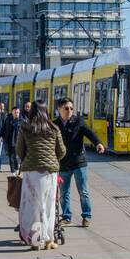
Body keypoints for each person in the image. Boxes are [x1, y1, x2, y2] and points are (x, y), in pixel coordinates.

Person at [16, 102, 65, 250]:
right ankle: (49, 239)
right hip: (50, 172)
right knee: (49, 206)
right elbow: (62, 151)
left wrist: (30, 157)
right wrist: (51, 158)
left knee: (33, 206)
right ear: (46, 112)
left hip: (32, 171)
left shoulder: (25, 128)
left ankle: (36, 240)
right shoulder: (54, 128)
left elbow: (19, 150)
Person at [54, 97, 104, 227]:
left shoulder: (78, 121)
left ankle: (86, 216)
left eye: (71, 108)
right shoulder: (54, 125)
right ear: (59, 109)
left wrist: (98, 143)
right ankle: (66, 216)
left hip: (79, 162)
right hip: (63, 164)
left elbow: (89, 133)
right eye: (66, 108)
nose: (69, 110)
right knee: (64, 192)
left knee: (83, 191)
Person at [2, 106, 22, 173]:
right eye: (15, 112)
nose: (16, 114)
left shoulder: (21, 121)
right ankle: (12, 171)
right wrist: (2, 136)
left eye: (17, 112)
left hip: (18, 141)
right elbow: (4, 128)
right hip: (9, 141)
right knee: (10, 157)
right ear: (12, 112)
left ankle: (16, 168)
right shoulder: (8, 119)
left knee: (15, 157)